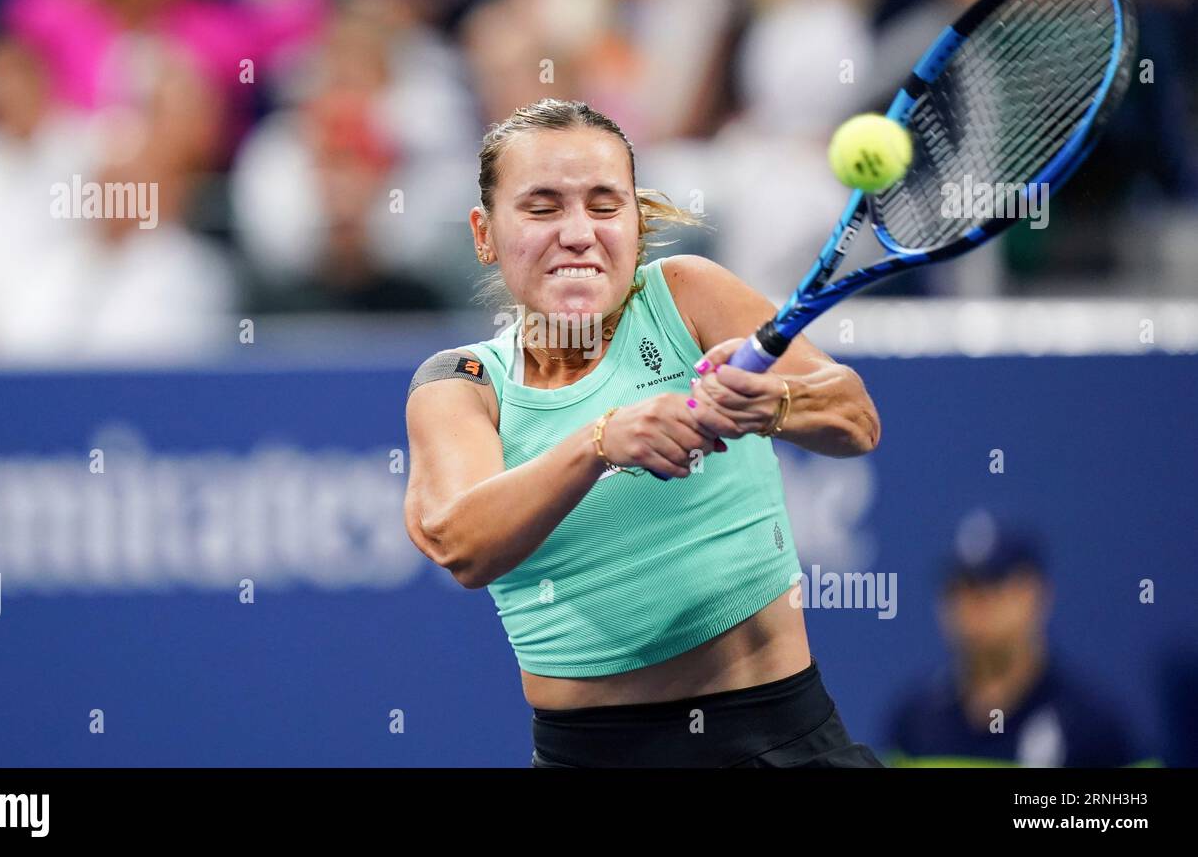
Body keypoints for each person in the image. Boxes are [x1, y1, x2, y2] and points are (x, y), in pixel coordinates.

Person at [402, 98, 883, 768]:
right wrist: (600, 441)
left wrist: (769, 402)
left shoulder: (688, 293)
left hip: (783, 742)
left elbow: (855, 419)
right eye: (542, 208)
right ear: (484, 234)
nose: (578, 233)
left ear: (635, 221)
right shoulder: (464, 382)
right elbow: (462, 545)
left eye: (605, 206)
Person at [883, 512, 1151, 767]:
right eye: (960, 590)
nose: (974, 608)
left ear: (1036, 595)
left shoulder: (1091, 729)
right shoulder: (914, 721)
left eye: (992, 588)